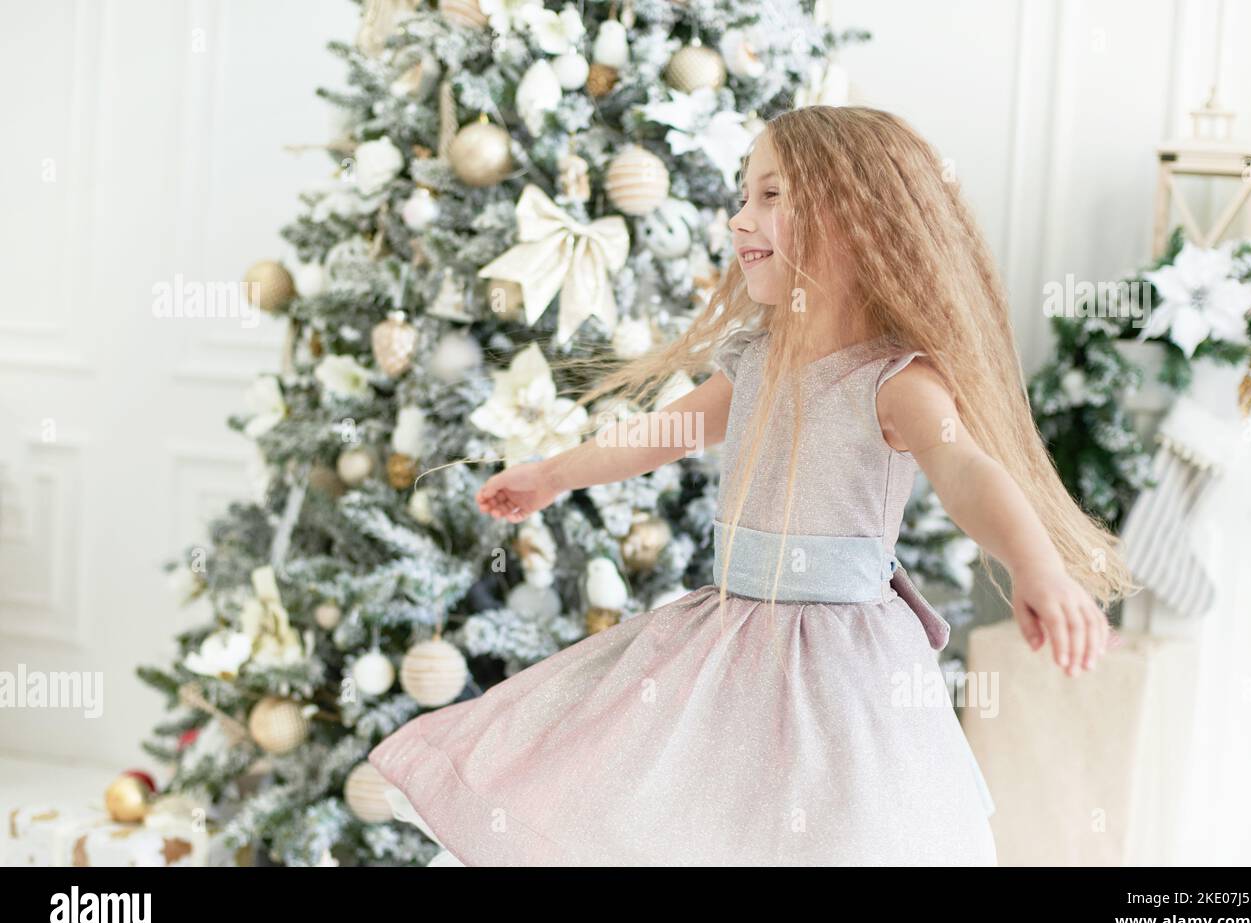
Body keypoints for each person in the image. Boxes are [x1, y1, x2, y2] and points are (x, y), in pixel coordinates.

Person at [369, 105, 1137, 867]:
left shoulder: (894, 381)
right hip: (728, 644)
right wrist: (551, 474)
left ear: (858, 216)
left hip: (843, 667)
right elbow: (661, 433)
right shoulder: (758, 361)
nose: (741, 219)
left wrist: (1034, 564)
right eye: (743, 196)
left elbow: (968, 469)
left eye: (771, 195)